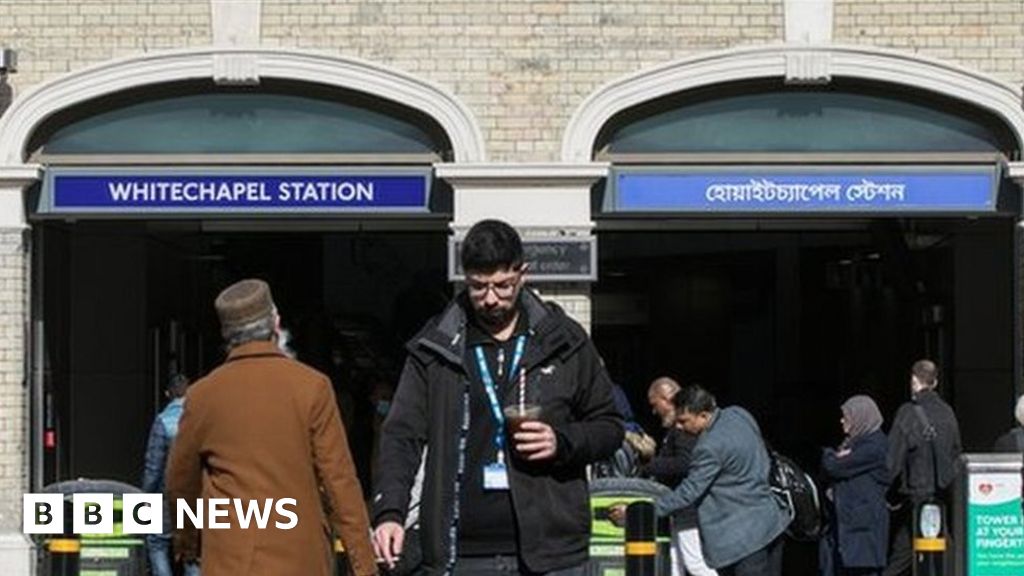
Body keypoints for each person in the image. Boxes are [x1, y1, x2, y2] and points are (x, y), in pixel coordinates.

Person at [371, 219, 624, 576]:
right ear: (464, 278)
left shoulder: (565, 341)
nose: (491, 299)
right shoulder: (434, 347)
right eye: (479, 287)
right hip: (461, 553)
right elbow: (401, 436)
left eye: (503, 286)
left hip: (552, 553)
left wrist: (562, 441)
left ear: (523, 274)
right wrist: (390, 513)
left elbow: (609, 426)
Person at [166, 279, 376, 576]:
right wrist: (363, 564)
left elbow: (180, 483)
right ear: (275, 324)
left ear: (226, 335)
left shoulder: (203, 396)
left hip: (230, 562)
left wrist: (188, 543)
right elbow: (339, 482)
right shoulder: (312, 387)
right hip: (301, 561)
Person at [614, 385, 788, 576]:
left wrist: (641, 511)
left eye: (684, 421)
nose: (679, 426)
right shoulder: (739, 414)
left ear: (704, 416)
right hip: (771, 522)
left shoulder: (708, 448)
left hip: (744, 541)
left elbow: (688, 493)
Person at [884, 359, 962, 576]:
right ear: (935, 382)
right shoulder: (948, 413)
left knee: (912, 549)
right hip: (941, 492)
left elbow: (893, 460)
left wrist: (886, 492)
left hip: (916, 493)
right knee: (929, 547)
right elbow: (957, 451)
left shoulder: (907, 413)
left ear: (913, 381)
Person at [643, 377, 716, 576]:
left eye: (654, 404)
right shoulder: (678, 429)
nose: (653, 411)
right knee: (674, 563)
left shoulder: (683, 430)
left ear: (667, 399)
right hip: (679, 507)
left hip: (688, 507)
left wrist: (648, 465)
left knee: (695, 564)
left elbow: (686, 463)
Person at [819, 395, 889, 576]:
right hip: (846, 531)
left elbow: (834, 467)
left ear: (860, 417)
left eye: (846, 416)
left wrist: (829, 454)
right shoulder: (854, 443)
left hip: (862, 533)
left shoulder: (874, 446)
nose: (842, 421)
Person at [141, 372, 200, 576]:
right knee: (191, 550)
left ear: (168, 394)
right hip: (195, 496)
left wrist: (145, 495)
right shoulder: (200, 420)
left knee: (157, 543)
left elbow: (154, 466)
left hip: (166, 496)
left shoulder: (163, 422)